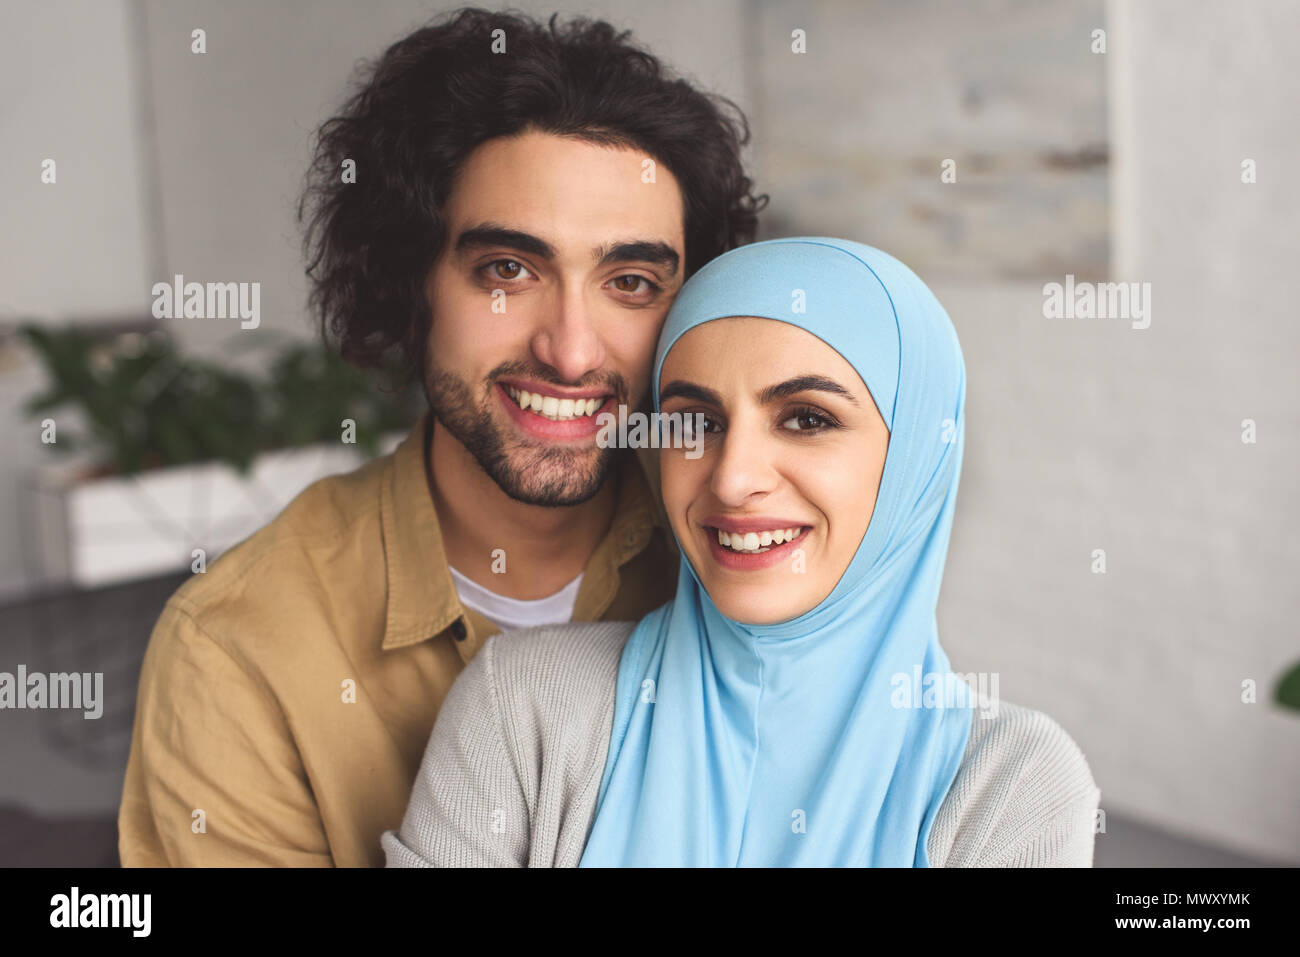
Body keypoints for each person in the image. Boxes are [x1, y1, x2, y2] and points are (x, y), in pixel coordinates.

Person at [117, 7, 765, 866]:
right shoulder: (240, 647)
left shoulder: (743, 557)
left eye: (632, 281)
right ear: (408, 280)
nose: (570, 349)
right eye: (508, 271)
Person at [383, 237, 1101, 867]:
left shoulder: (1009, 782)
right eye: (695, 422)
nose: (732, 477)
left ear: (913, 452)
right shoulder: (524, 707)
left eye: (807, 418)